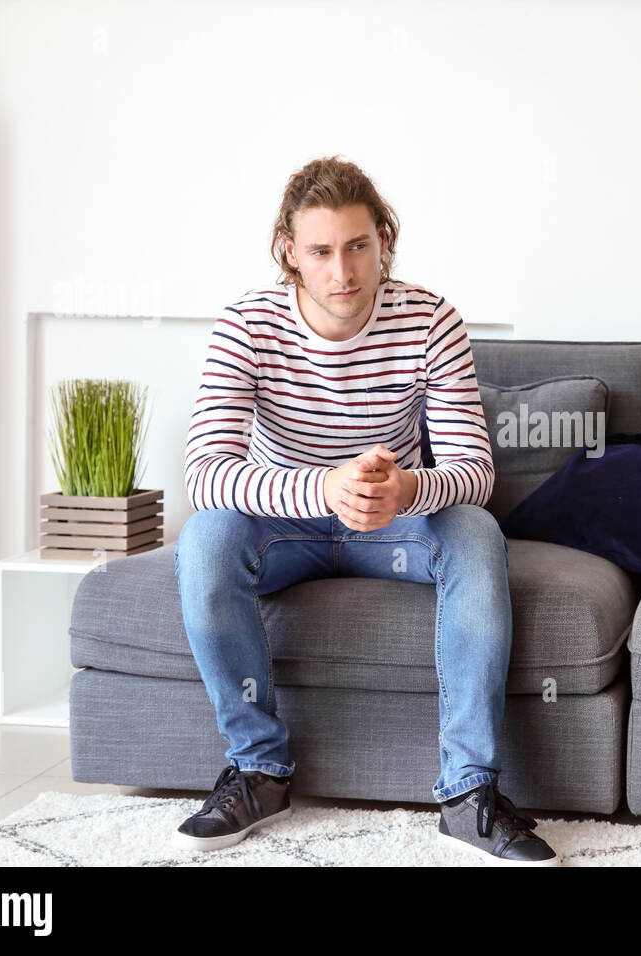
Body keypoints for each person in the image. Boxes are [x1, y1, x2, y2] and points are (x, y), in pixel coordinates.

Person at [171, 155, 559, 865]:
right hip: (286, 520)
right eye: (320, 252)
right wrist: (322, 488)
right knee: (204, 539)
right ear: (290, 251)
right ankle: (258, 770)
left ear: (384, 238)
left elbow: (473, 470)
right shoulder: (246, 326)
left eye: (358, 246)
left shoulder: (431, 319)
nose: (343, 272)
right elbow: (205, 473)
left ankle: (467, 794)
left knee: (475, 530)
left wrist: (406, 490)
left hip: (396, 522)